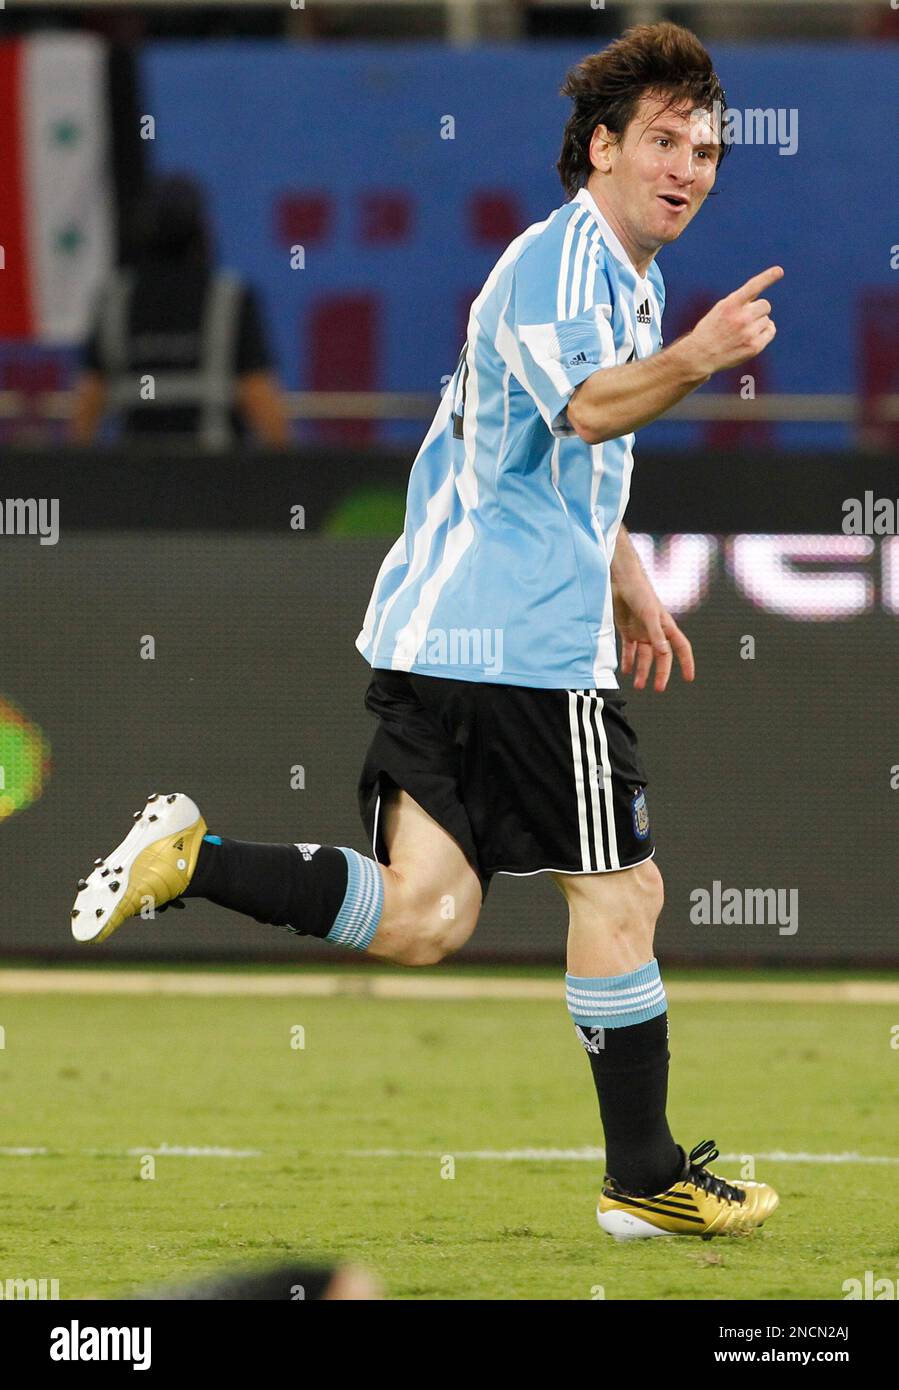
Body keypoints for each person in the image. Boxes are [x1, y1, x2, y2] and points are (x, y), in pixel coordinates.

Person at [71, 22, 782, 1241]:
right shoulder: (567, 265)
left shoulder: (619, 273)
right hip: (517, 650)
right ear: (599, 148)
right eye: (661, 140)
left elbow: (552, 445)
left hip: (438, 638)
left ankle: (193, 856)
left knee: (426, 917)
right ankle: (643, 1176)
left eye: (706, 147)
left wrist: (628, 576)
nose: (688, 166)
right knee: (623, 891)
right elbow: (588, 402)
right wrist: (697, 360)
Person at [70, 173, 290, 449]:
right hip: (215, 479)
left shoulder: (114, 299)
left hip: (134, 479)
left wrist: (74, 474)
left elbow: (89, 399)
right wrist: (288, 472)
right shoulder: (231, 299)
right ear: (202, 231)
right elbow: (258, 394)